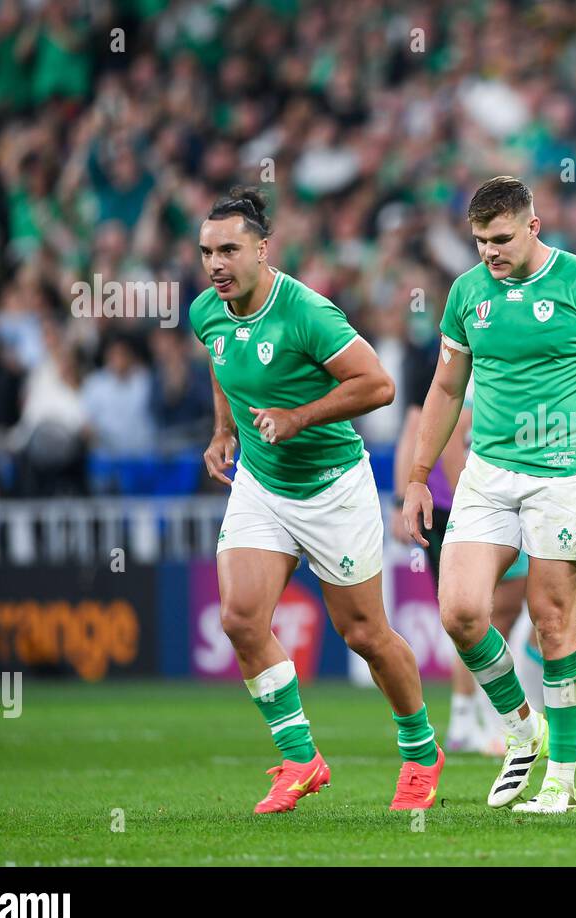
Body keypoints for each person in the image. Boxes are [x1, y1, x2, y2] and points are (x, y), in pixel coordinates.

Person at [402, 176, 576, 813]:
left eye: (502, 239)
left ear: (534, 227)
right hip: (487, 473)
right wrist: (415, 476)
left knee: (552, 622)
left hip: (561, 474)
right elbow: (446, 390)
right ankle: (521, 727)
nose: (490, 251)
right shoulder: (467, 292)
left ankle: (560, 783)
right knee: (458, 612)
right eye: (480, 241)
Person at [194, 186, 443, 814]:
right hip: (262, 484)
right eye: (206, 252)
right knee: (240, 619)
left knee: (363, 632)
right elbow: (222, 365)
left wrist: (299, 417)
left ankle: (420, 753)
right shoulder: (206, 311)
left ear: (262, 250)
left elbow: (379, 385)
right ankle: (301, 759)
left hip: (334, 487)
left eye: (229, 250)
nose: (216, 264)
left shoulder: (307, 312)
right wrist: (224, 430)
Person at [394, 353, 533, 755]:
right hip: (454, 506)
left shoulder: (479, 367)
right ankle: (468, 719)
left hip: (476, 504)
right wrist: (464, 502)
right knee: (478, 615)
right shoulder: (458, 373)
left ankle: (471, 717)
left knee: (492, 614)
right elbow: (428, 431)